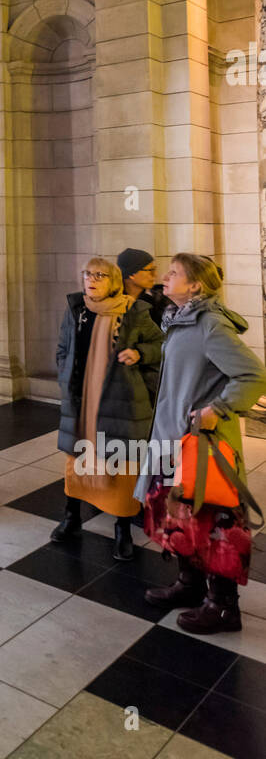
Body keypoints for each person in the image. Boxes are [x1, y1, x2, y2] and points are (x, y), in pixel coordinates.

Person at [137, 253, 266, 634]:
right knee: (181, 515)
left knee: (213, 521)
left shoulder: (209, 325)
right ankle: (190, 586)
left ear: (195, 285)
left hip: (201, 442)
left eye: (173, 273)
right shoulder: (179, 320)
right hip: (173, 436)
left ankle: (223, 607)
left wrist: (219, 409)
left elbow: (254, 375)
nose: (164, 277)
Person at [55, 256, 164, 560]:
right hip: (82, 400)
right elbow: (62, 349)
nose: (91, 280)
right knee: (77, 460)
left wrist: (139, 353)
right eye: (87, 274)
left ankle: (122, 529)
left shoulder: (134, 312)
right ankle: (72, 517)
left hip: (120, 402)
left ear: (114, 281)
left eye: (99, 275)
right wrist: (66, 380)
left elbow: (161, 345)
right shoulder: (76, 310)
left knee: (121, 466)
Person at [117, 247, 169, 330]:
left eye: (154, 269)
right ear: (132, 274)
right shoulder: (113, 303)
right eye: (150, 270)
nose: (155, 274)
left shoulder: (159, 299)